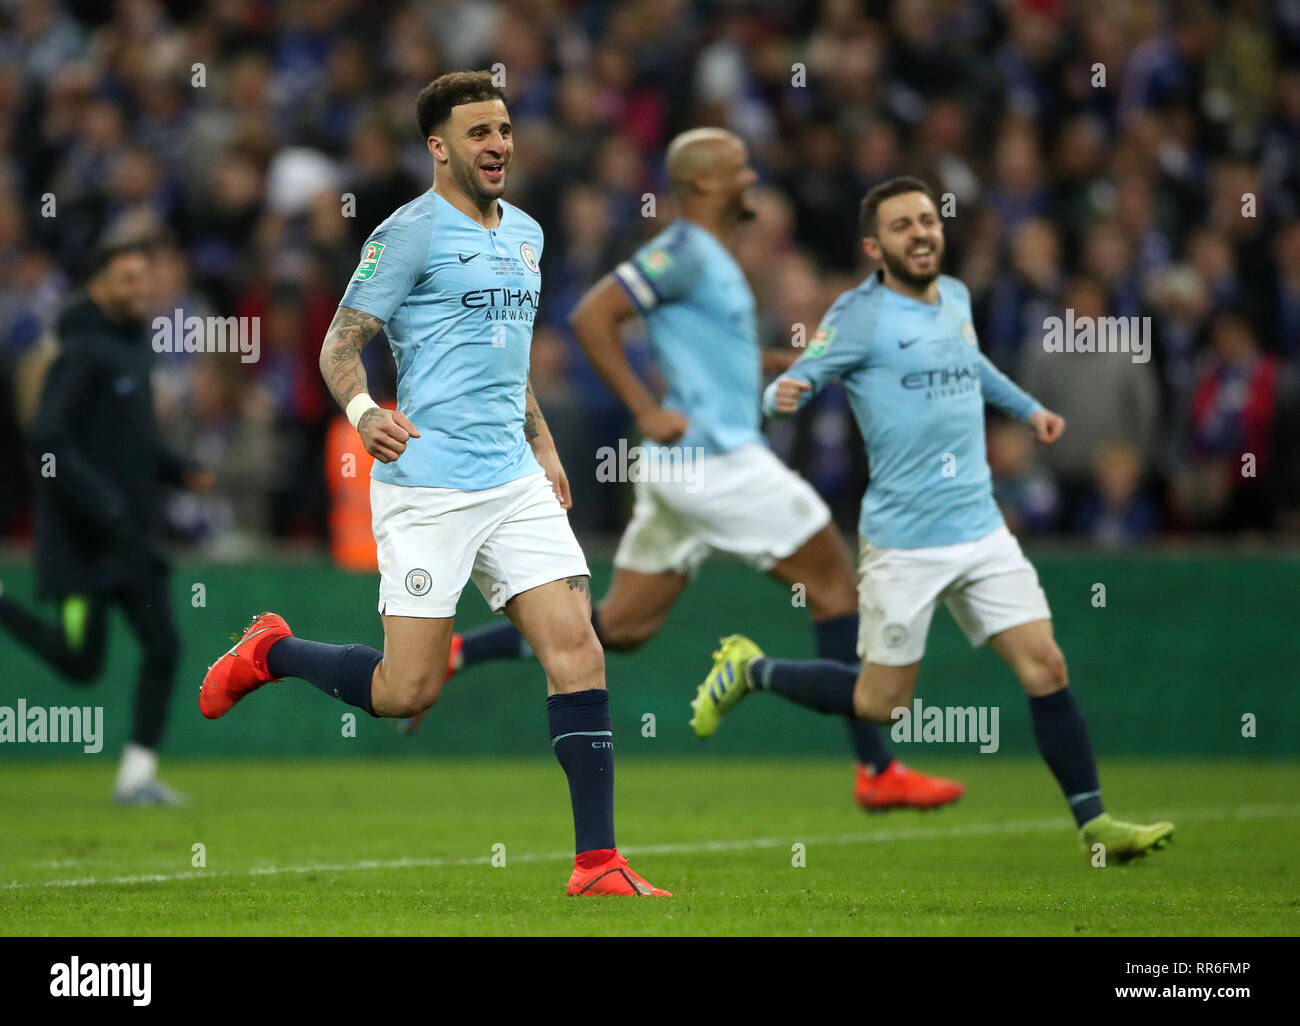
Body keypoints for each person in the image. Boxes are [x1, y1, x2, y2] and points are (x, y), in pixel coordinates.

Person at [199, 71, 669, 898]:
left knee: (579, 650)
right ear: (439, 147)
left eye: (505, 130)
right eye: (480, 133)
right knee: (405, 687)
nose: (498, 146)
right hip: (427, 483)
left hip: (514, 477)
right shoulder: (406, 234)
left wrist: (546, 445)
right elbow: (339, 344)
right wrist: (361, 408)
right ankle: (271, 651)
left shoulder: (525, 231)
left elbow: (504, 356)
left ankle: (596, 863)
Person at [432, 128, 962, 811]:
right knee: (836, 588)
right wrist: (644, 409)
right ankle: (876, 769)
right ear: (706, 182)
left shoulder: (713, 261)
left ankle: (457, 654)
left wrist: (806, 366)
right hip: (714, 462)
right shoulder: (682, 251)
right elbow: (593, 316)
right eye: (741, 168)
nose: (753, 178)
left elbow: (725, 366)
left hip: (682, 468)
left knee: (620, 628)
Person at [691, 177, 1175, 861]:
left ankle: (1095, 825)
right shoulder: (857, 315)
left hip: (980, 528)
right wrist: (782, 395)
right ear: (874, 245)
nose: (920, 233)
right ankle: (751, 670)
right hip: (904, 543)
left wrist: (1027, 409)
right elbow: (795, 379)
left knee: (1047, 667)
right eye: (902, 226)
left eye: (926, 220)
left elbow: (971, 365)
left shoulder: (956, 297)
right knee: (880, 702)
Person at [0, 238, 212, 805]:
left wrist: (176, 466)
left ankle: (136, 778)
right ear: (99, 286)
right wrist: (101, 502)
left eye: (145, 279)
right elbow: (46, 435)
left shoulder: (133, 349)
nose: (139, 290)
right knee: (80, 663)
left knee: (164, 647)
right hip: (83, 543)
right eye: (127, 279)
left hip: (133, 538)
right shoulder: (80, 350)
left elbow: (134, 440)